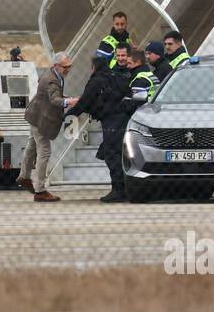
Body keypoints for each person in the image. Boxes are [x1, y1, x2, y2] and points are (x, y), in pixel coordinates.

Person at [67, 54, 131, 202]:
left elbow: (84, 102)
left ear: (94, 67)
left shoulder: (96, 81)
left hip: (111, 120)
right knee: (117, 153)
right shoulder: (116, 77)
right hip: (123, 119)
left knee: (111, 155)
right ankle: (124, 188)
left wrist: (68, 115)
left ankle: (118, 190)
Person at [18, 51, 77, 202]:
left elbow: (53, 95)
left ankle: (24, 177)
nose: (68, 69)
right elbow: (54, 99)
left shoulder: (54, 74)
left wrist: (65, 98)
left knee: (31, 147)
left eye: (70, 66)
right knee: (44, 152)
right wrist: (70, 101)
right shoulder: (51, 80)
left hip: (35, 115)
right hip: (40, 120)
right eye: (66, 67)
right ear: (56, 66)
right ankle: (40, 190)